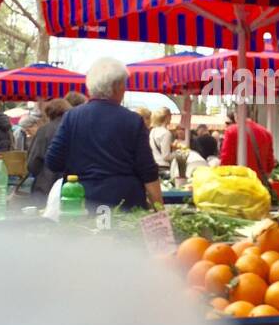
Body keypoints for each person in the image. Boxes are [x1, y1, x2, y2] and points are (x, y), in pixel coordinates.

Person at [45, 57, 162, 212]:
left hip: (82, 205)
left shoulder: (71, 117)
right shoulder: (133, 121)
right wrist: (160, 212)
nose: (125, 90)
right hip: (125, 207)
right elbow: (148, 172)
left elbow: (53, 162)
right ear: (116, 86)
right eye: (124, 84)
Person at [26, 98, 69, 199]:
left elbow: (33, 163)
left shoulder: (44, 130)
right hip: (69, 186)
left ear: (49, 113)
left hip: (45, 187)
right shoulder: (74, 128)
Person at [219, 109, 275, 178]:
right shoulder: (266, 133)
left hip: (238, 183)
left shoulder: (231, 131)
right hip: (259, 185)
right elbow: (270, 165)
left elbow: (226, 162)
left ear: (236, 115)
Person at [148, 107, 174, 178]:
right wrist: (178, 155)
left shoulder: (153, 131)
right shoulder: (166, 133)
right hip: (163, 167)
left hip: (153, 164)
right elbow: (166, 156)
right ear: (167, 117)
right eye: (170, 115)